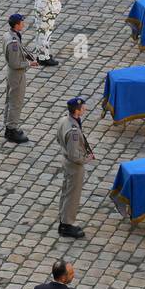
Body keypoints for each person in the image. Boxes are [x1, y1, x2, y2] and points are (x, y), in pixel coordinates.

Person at [56, 97, 94, 239]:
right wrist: (85, 159)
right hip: (74, 166)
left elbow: (59, 139)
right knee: (72, 195)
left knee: (67, 192)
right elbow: (74, 154)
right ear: (77, 111)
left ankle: (63, 218)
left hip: (66, 162)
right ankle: (66, 224)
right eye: (83, 108)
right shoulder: (73, 132)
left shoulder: (64, 120)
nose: (85, 109)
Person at [3, 13, 37, 144]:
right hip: (17, 75)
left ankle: (9, 125)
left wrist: (26, 56)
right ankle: (11, 129)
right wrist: (29, 63)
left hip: (13, 73)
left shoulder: (9, 35)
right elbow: (15, 63)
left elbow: (17, 53)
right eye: (22, 22)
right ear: (17, 25)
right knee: (15, 102)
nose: (24, 24)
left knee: (11, 100)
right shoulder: (13, 43)